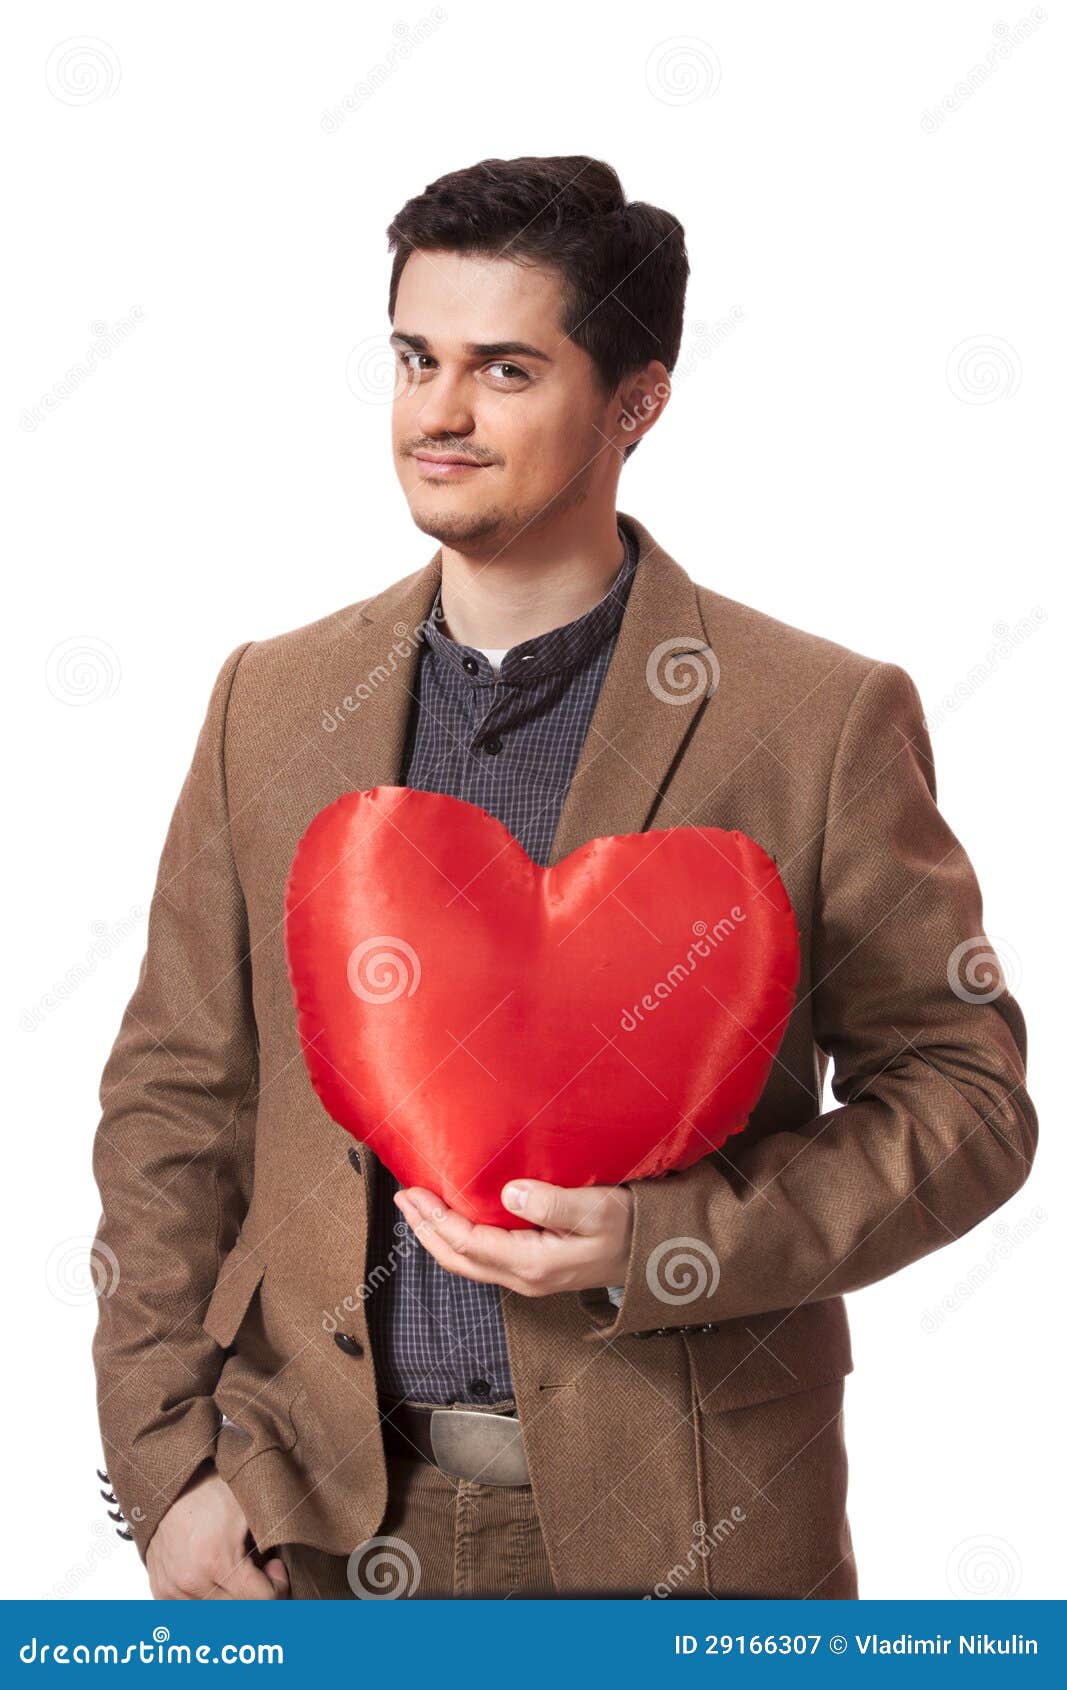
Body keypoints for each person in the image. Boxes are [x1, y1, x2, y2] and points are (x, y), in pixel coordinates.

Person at [91, 155, 1037, 1600]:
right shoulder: (271, 705)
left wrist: (666, 1239)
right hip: (316, 1529)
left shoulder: (816, 718)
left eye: (505, 369)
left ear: (636, 400)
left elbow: (968, 1103)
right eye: (415, 358)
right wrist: (165, 1472)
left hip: (687, 1539)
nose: (437, 414)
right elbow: (174, 1102)